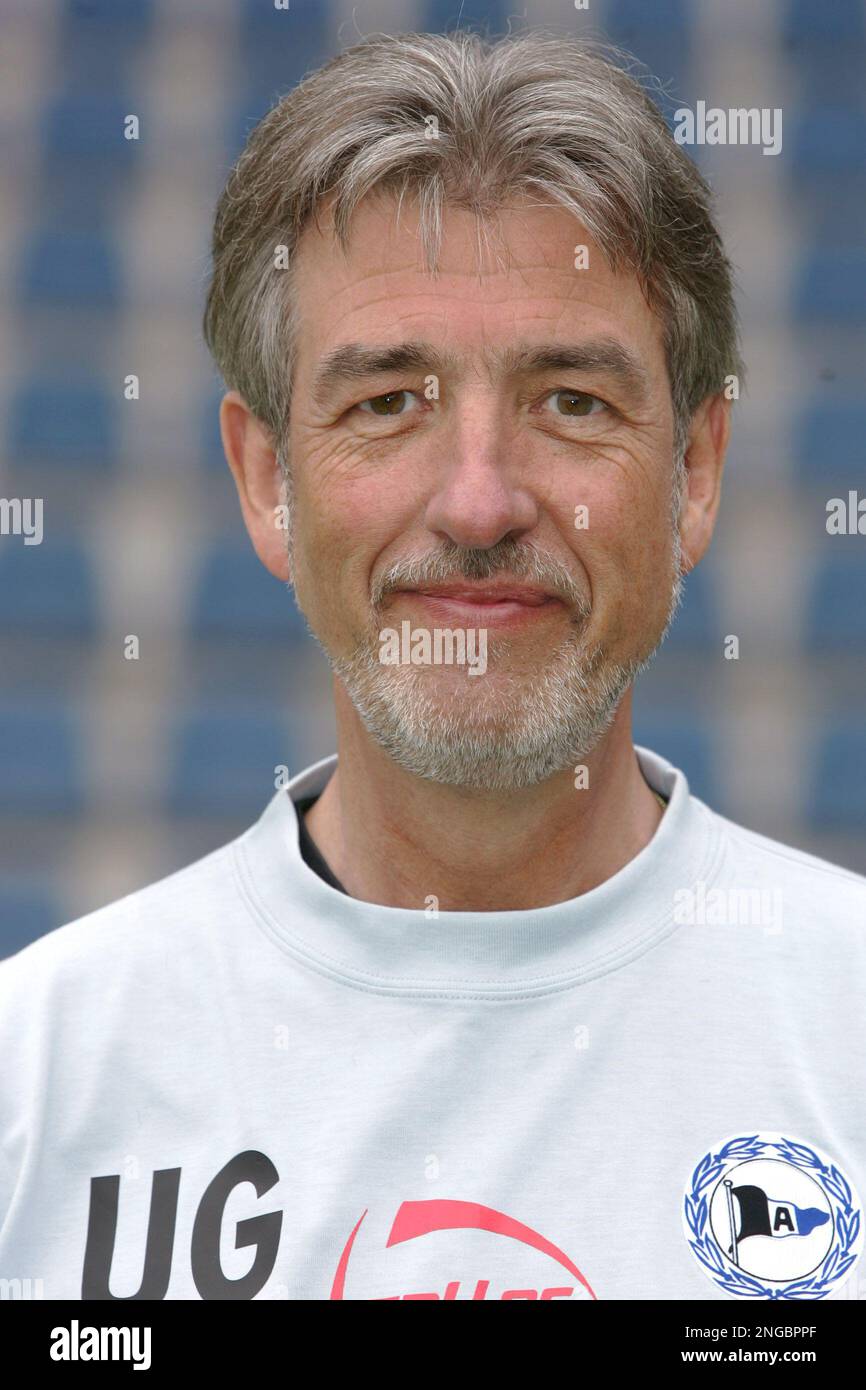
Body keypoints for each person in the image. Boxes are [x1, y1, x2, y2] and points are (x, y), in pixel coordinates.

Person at [1, 31, 864, 1303]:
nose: (476, 501)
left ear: (693, 473)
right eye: (385, 402)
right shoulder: (37, 1073)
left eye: (569, 399)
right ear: (264, 483)